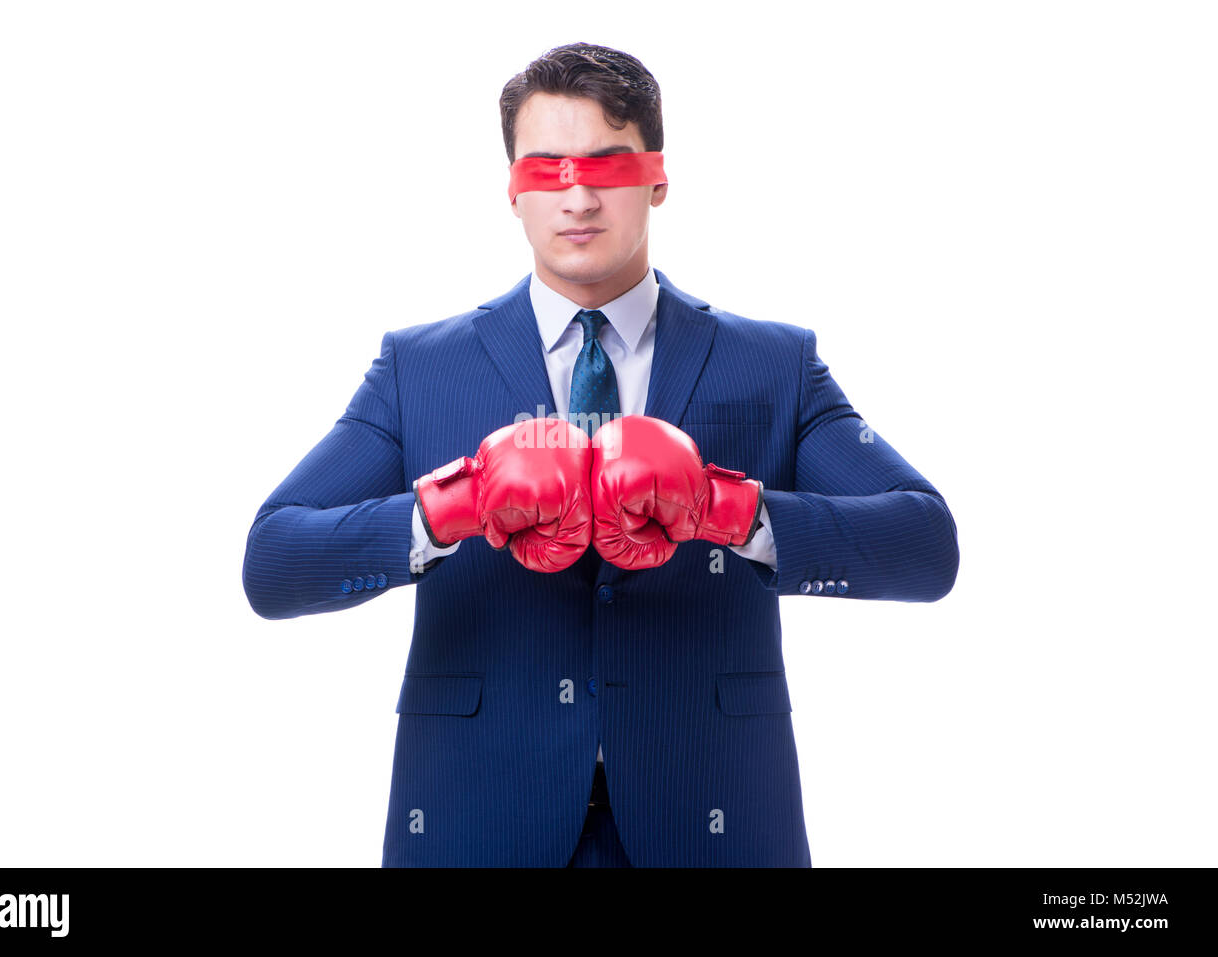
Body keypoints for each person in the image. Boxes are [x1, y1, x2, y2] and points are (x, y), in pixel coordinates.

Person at [241, 41, 959, 867]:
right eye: (544, 171)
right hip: (477, 821)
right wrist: (451, 507)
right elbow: (273, 561)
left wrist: (733, 510)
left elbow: (926, 544)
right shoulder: (419, 368)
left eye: (606, 165)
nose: (576, 196)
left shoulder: (773, 363)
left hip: (713, 820)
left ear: (658, 178)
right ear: (511, 190)